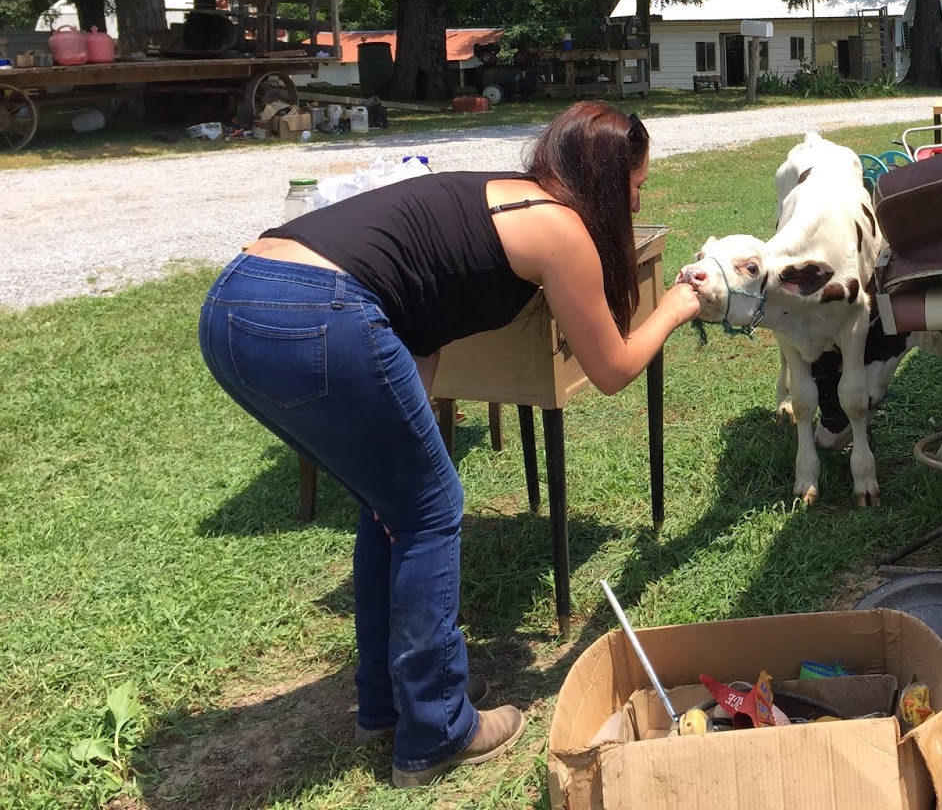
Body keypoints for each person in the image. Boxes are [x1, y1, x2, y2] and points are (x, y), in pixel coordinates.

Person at [197, 103, 704, 787]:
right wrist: (675, 306)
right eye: (637, 186)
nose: (640, 199)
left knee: (394, 506)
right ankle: (438, 729)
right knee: (429, 510)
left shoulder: (496, 196)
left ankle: (384, 706)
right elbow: (611, 370)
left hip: (235, 305)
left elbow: (417, 327)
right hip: (314, 311)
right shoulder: (560, 228)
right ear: (612, 183)